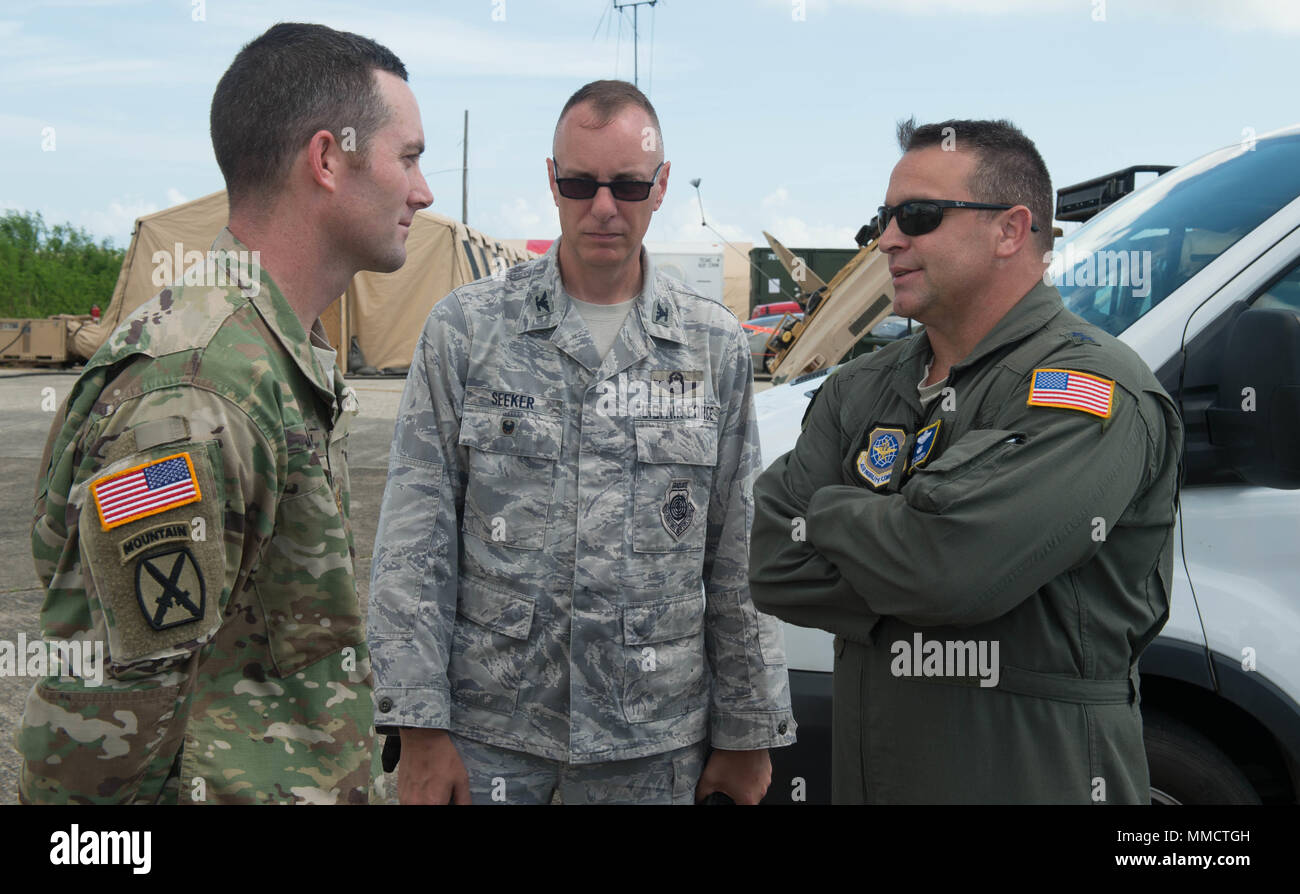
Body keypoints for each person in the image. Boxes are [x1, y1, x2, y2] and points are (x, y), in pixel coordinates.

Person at [18, 22, 433, 804]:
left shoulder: (270, 357)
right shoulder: (199, 394)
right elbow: (96, 750)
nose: (423, 189)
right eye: (407, 156)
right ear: (327, 160)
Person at [368, 79, 795, 805]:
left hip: (654, 749)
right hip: (491, 742)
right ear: (551, 180)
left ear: (661, 187)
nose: (602, 206)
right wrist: (420, 729)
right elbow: (416, 537)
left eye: (628, 185)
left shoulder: (712, 346)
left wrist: (748, 732)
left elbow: (738, 553)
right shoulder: (468, 330)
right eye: (579, 182)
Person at [748, 118, 1183, 804]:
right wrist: (907, 548)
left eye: (918, 216)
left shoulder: (1091, 388)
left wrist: (830, 510)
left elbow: (948, 569)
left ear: (1010, 230)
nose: (888, 239)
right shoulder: (861, 386)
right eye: (883, 219)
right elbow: (771, 560)